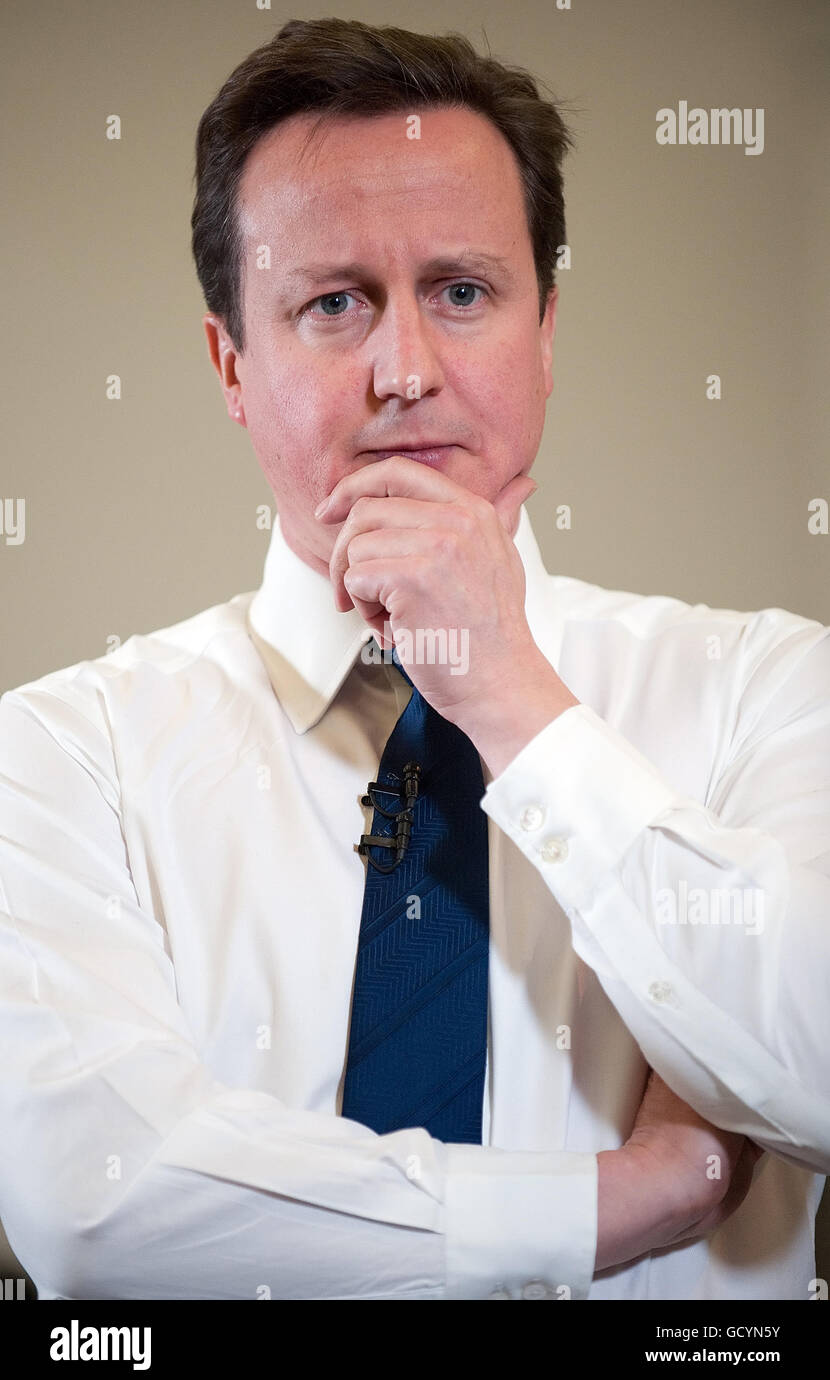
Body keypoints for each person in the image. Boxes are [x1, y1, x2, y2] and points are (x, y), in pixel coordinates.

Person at [0, 17, 827, 1302]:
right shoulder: (55, 757)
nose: (404, 372)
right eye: (333, 303)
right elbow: (95, 1210)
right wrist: (635, 1197)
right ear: (231, 361)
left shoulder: (767, 688)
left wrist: (505, 689)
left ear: (544, 330)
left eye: (462, 292)